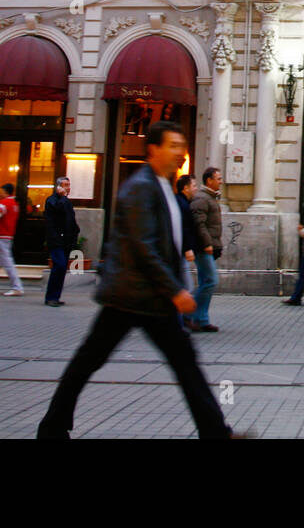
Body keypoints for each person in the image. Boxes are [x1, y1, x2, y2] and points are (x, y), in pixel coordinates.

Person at [37, 121, 236, 439]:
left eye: (180, 145)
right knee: (90, 361)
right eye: (172, 145)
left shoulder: (162, 186)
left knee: (183, 363)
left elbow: (167, 239)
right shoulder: (141, 188)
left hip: (148, 296)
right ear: (153, 149)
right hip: (130, 296)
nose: (179, 151)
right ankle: (52, 427)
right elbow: (143, 247)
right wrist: (176, 291)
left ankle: (216, 433)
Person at [187, 167, 224, 332]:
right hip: (202, 247)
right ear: (209, 180)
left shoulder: (210, 198)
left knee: (205, 281)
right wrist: (207, 243)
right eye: (218, 178)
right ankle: (188, 314)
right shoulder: (202, 198)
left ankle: (201, 320)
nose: (221, 181)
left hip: (207, 246)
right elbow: (198, 223)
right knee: (210, 281)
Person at [44, 176, 78, 307]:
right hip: (56, 239)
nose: (67, 188)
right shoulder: (52, 200)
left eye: (68, 185)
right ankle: (51, 297)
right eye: (64, 185)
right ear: (58, 187)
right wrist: (63, 197)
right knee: (60, 265)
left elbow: (70, 219)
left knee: (62, 268)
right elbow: (59, 210)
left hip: (66, 240)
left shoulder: (66, 201)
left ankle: (55, 297)